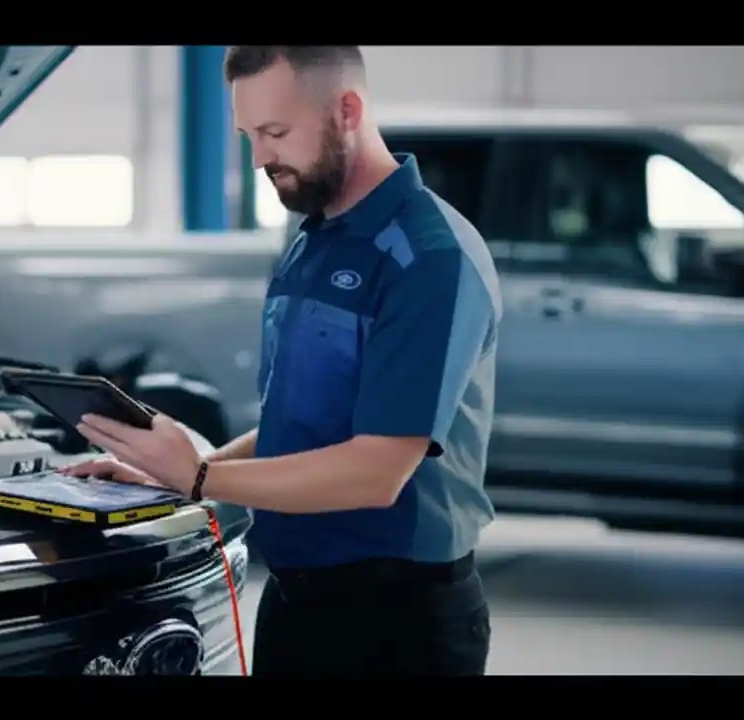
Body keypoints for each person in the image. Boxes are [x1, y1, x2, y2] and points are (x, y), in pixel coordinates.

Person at [60, 46, 502, 675]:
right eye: (248, 135)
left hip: (399, 625)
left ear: (346, 110)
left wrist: (201, 481)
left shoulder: (429, 257)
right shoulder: (312, 239)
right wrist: (178, 468)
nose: (260, 157)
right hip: (298, 605)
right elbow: (307, 427)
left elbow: (376, 472)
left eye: (275, 132)